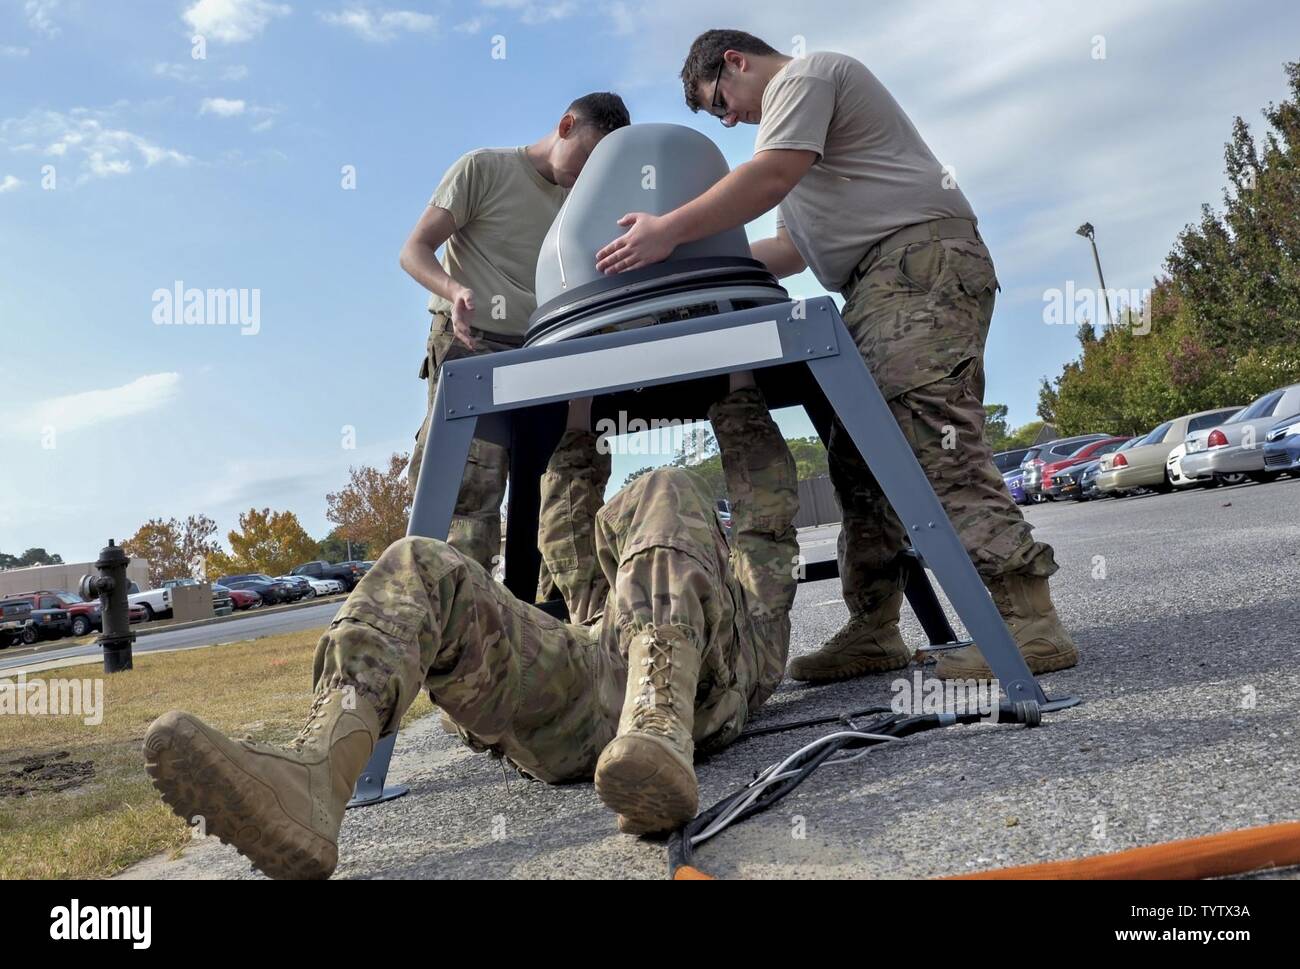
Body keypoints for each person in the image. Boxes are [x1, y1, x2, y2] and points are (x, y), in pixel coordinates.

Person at [143, 374, 799, 879]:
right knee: (417, 564)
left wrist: (739, 382)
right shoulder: (601, 604)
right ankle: (316, 776)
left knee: (664, 485)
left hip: (707, 688)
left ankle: (659, 724)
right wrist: (580, 392)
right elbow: (566, 531)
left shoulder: (750, 602)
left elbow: (763, 511)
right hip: (597, 704)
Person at [592, 29, 1077, 682]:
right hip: (880, 285)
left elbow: (767, 176)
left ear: (735, 61)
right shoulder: (795, 148)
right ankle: (874, 628)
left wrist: (667, 229)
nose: (730, 118)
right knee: (859, 459)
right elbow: (787, 252)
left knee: (931, 436)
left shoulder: (807, 78)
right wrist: (678, 260)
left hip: (916, 265)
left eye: (721, 101)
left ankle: (1030, 622)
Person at [399, 92, 630, 573]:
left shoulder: (583, 202)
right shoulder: (482, 169)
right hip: (470, 344)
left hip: (541, 354)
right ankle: (451, 629)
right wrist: (454, 288)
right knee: (466, 505)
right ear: (565, 126)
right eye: (586, 157)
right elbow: (414, 250)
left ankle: (535, 626)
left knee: (552, 500)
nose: (586, 174)